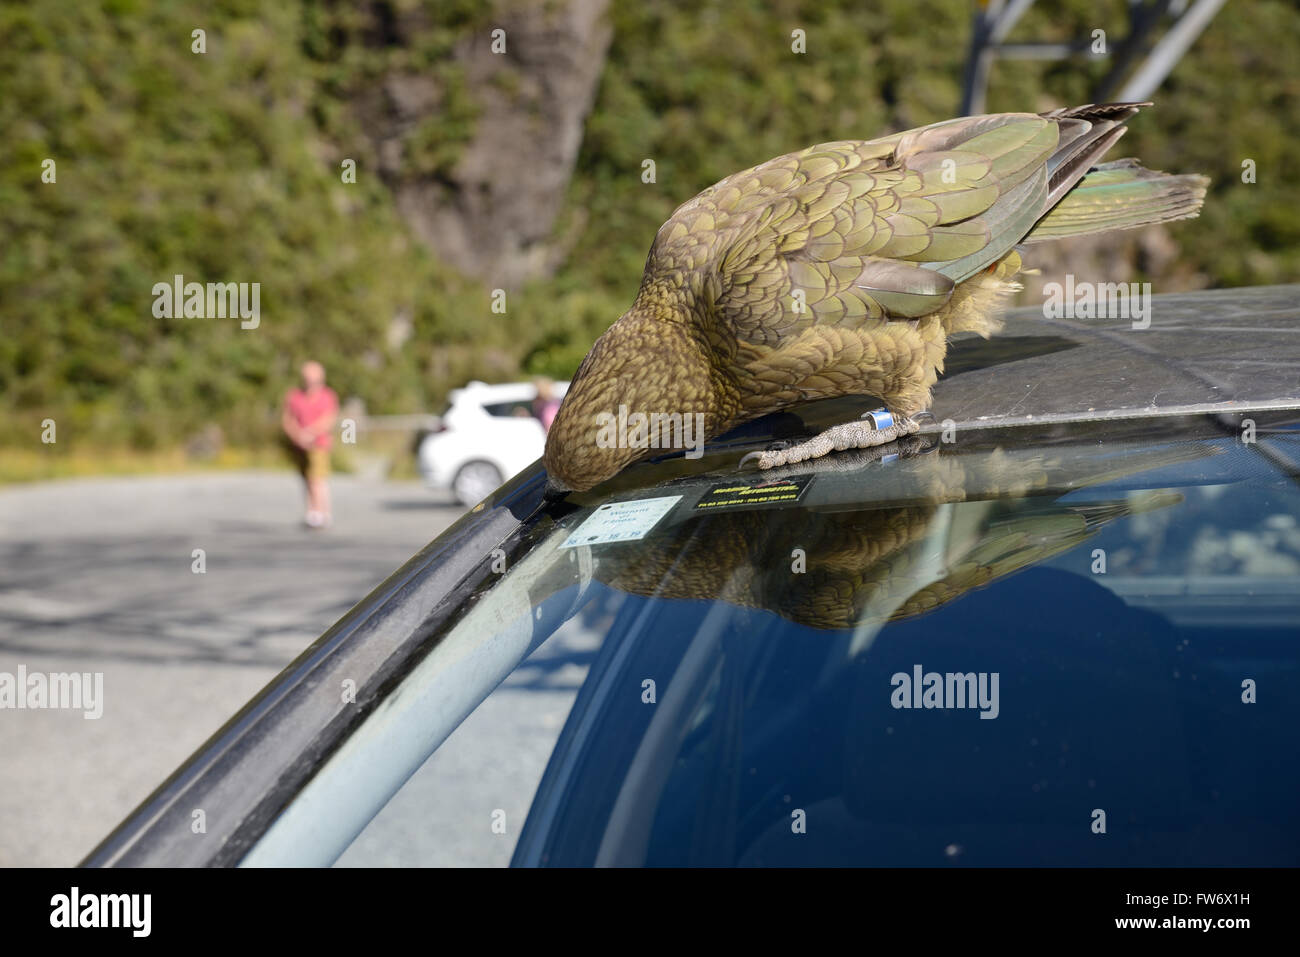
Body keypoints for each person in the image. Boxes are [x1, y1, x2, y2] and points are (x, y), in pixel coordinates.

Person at [282, 361, 339, 529]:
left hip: (319, 444)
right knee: (306, 478)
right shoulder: (294, 396)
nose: (311, 384)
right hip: (299, 444)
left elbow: (329, 419)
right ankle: (312, 511)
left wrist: (310, 433)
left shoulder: (327, 396)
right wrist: (298, 435)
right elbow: (287, 419)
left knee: (317, 478)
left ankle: (322, 512)